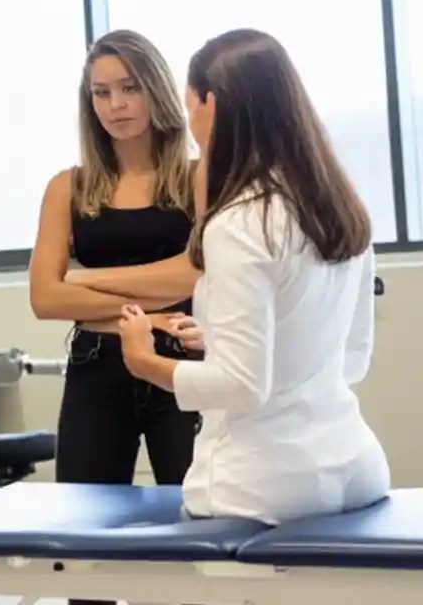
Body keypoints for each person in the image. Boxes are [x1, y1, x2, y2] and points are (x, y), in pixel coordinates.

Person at [117, 28, 390, 525]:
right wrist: (221, 338)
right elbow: (351, 361)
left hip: (262, 487)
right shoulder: (341, 210)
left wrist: (143, 360)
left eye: (190, 103)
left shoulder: (241, 223)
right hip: (354, 470)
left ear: (211, 106)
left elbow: (242, 387)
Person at [29, 29, 202, 494]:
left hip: (182, 355)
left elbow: (194, 274)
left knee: (200, 508)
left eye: (130, 88)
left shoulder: (198, 177)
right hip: (97, 363)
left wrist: (87, 282)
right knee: (85, 516)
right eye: (101, 93)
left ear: (156, 90)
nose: (116, 105)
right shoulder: (67, 187)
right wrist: (146, 307)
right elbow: (45, 298)